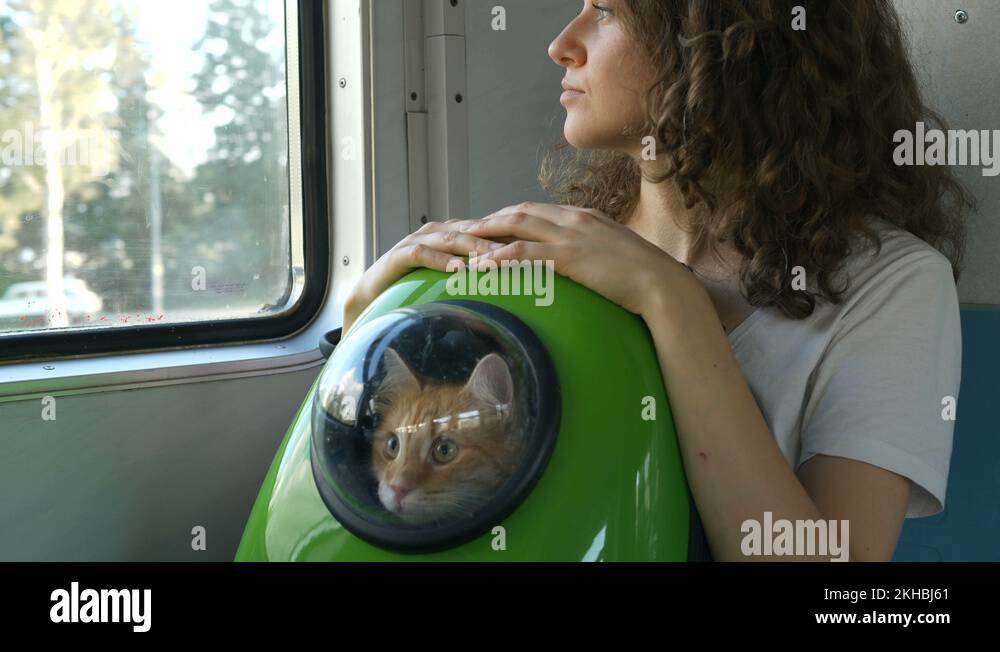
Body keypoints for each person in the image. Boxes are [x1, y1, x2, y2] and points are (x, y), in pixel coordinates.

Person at [343, 0, 974, 561]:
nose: (562, 42)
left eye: (607, 11)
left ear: (729, 46)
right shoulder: (544, 251)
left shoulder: (894, 282)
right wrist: (361, 329)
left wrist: (670, 300)